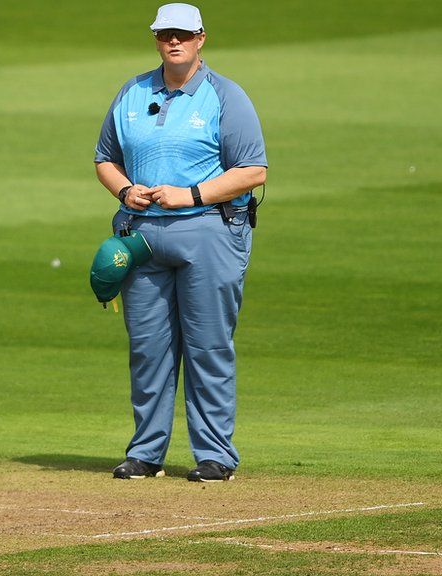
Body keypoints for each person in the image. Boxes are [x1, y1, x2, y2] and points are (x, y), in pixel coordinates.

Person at [93, 3, 267, 482]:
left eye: (184, 35)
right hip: (142, 235)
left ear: (201, 39)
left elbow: (253, 171)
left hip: (209, 231)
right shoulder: (132, 92)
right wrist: (126, 190)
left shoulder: (225, 97)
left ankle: (215, 456)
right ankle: (146, 454)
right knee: (148, 349)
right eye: (166, 34)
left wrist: (189, 193)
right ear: (156, 38)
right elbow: (105, 158)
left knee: (208, 347)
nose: (175, 42)